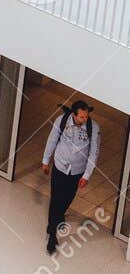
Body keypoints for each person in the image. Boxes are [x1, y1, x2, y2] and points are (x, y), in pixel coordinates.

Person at [41, 98, 99, 255]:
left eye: (86, 117)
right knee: (56, 199)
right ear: (74, 114)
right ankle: (52, 234)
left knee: (68, 198)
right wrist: (46, 160)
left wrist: (87, 174)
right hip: (60, 166)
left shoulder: (93, 128)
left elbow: (93, 153)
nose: (84, 119)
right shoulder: (62, 121)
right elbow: (52, 140)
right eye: (81, 117)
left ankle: (57, 217)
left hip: (77, 171)